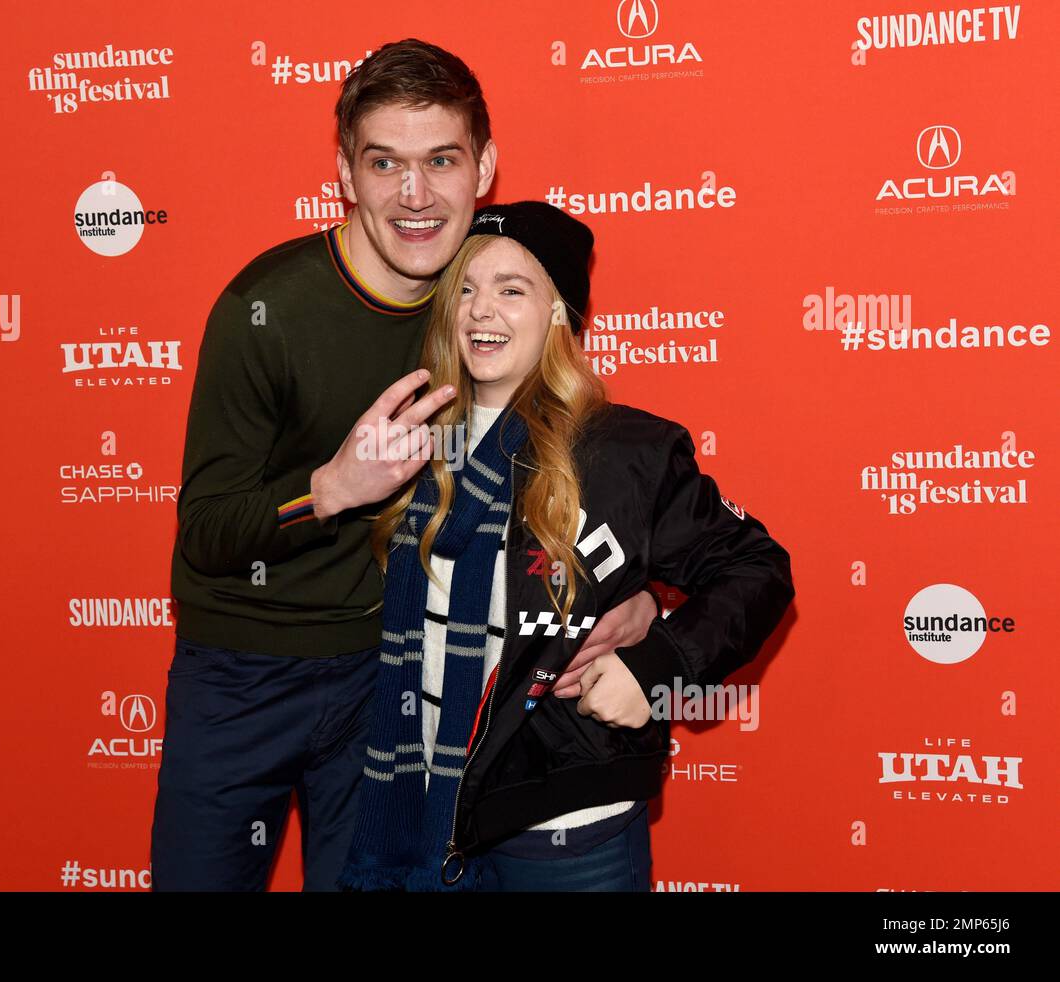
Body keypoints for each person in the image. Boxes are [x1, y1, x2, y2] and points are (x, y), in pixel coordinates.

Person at [150, 40, 658, 891]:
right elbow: (205, 532)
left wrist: (637, 595)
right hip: (244, 674)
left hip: (390, 682)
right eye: (384, 162)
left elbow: (578, 475)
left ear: (484, 167)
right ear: (346, 173)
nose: (414, 196)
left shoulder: (490, 301)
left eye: (441, 161)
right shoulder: (263, 311)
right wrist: (330, 490)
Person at [338, 201, 796, 891]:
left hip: (569, 838)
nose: (480, 309)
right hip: (425, 817)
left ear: (559, 313)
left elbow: (759, 569)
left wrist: (656, 665)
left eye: (512, 289)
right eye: (465, 286)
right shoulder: (411, 439)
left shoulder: (624, 452)